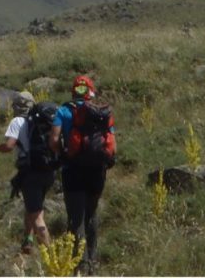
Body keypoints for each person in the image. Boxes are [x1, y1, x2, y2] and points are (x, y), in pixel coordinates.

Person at [56, 75, 116, 273]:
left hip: (73, 170)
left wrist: (61, 154)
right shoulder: (102, 113)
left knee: (76, 217)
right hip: (97, 172)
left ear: (73, 91)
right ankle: (93, 261)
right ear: (92, 92)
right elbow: (111, 141)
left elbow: (53, 139)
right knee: (91, 214)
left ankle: (80, 266)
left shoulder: (64, 111)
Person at [0, 90, 54, 256]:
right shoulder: (42, 121)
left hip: (29, 172)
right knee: (34, 207)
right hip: (48, 170)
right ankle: (28, 241)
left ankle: (52, 258)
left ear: (16, 106)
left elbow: (9, 146)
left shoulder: (17, 121)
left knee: (37, 216)